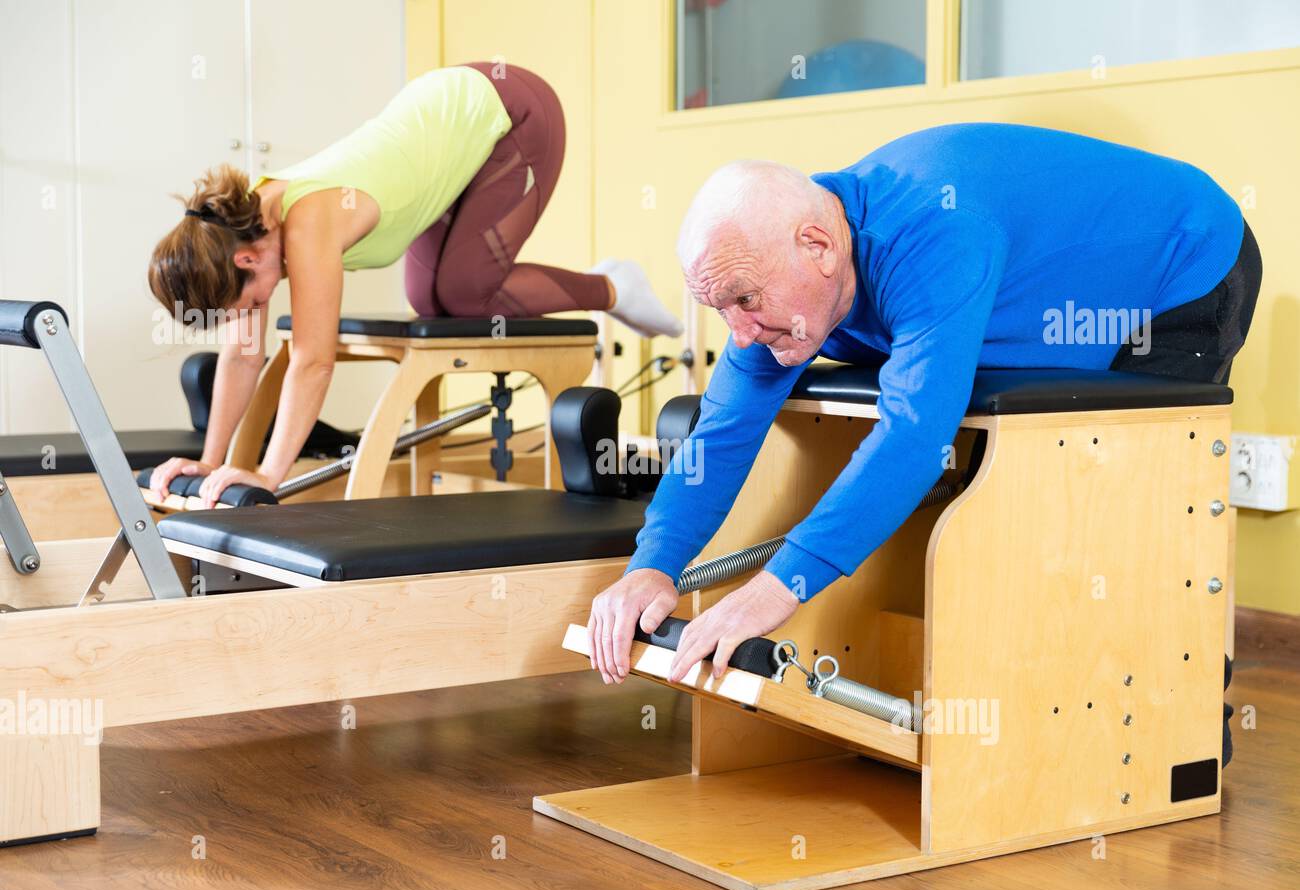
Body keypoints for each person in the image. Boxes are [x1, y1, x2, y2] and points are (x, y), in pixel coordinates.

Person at [587, 123, 1260, 723]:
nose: (737, 331)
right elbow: (721, 433)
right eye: (718, 307)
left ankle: (1185, 727)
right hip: (1057, 294)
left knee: (1133, 504)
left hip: (1186, 262)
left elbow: (913, 433)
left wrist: (777, 587)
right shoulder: (782, 276)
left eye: (744, 300)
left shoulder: (933, 233)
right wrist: (653, 566)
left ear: (819, 245)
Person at [148, 62, 681, 506]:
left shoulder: (306, 223)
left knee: (468, 291)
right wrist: (210, 460)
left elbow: (314, 360)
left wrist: (268, 476)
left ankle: (613, 287)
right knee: (435, 299)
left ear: (245, 258)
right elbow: (242, 357)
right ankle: (609, 285)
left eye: (247, 301)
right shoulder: (244, 234)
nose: (255, 309)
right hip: (446, 131)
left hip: (510, 110)